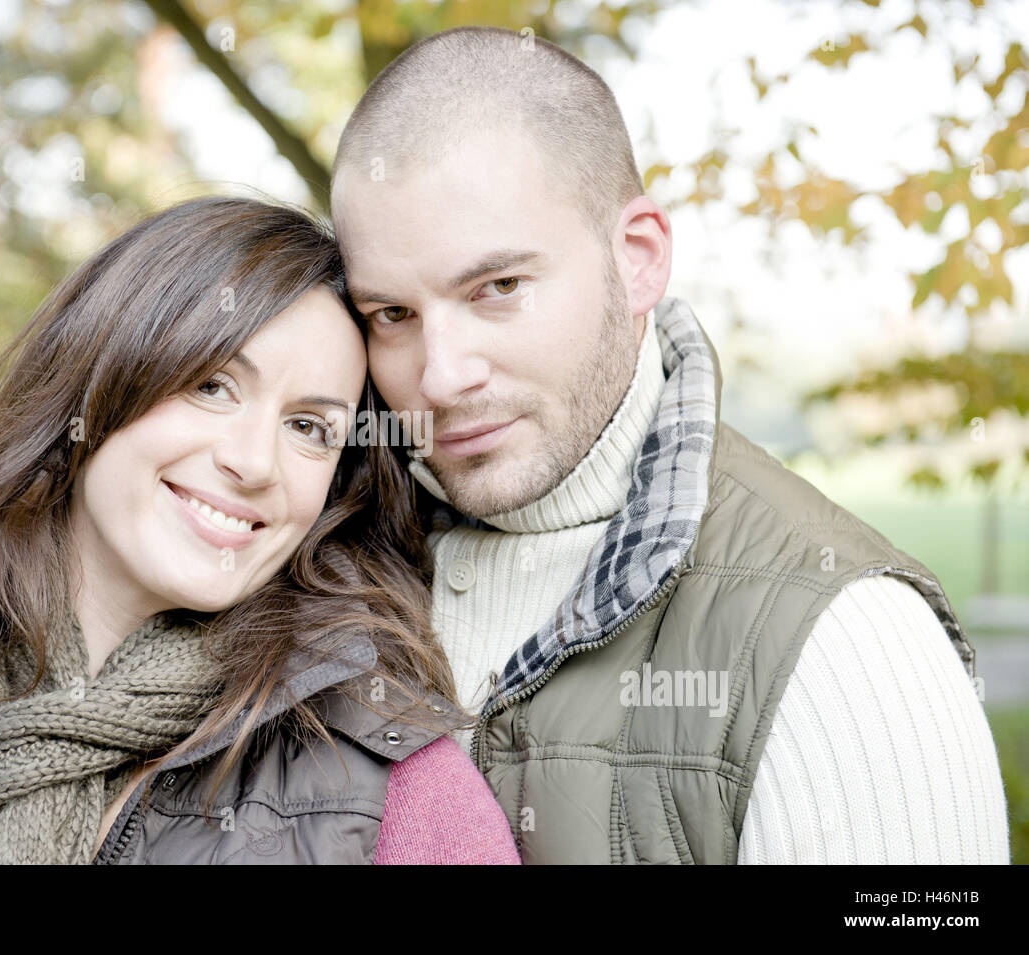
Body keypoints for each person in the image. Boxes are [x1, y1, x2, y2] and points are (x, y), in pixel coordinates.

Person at [328, 25, 1010, 863]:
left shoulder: (847, 647)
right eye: (392, 314)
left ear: (640, 258)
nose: (440, 375)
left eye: (498, 287)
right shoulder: (306, 564)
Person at [0, 195, 520, 865]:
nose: (253, 462)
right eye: (213, 385)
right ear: (99, 377)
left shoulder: (397, 785)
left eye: (310, 427)